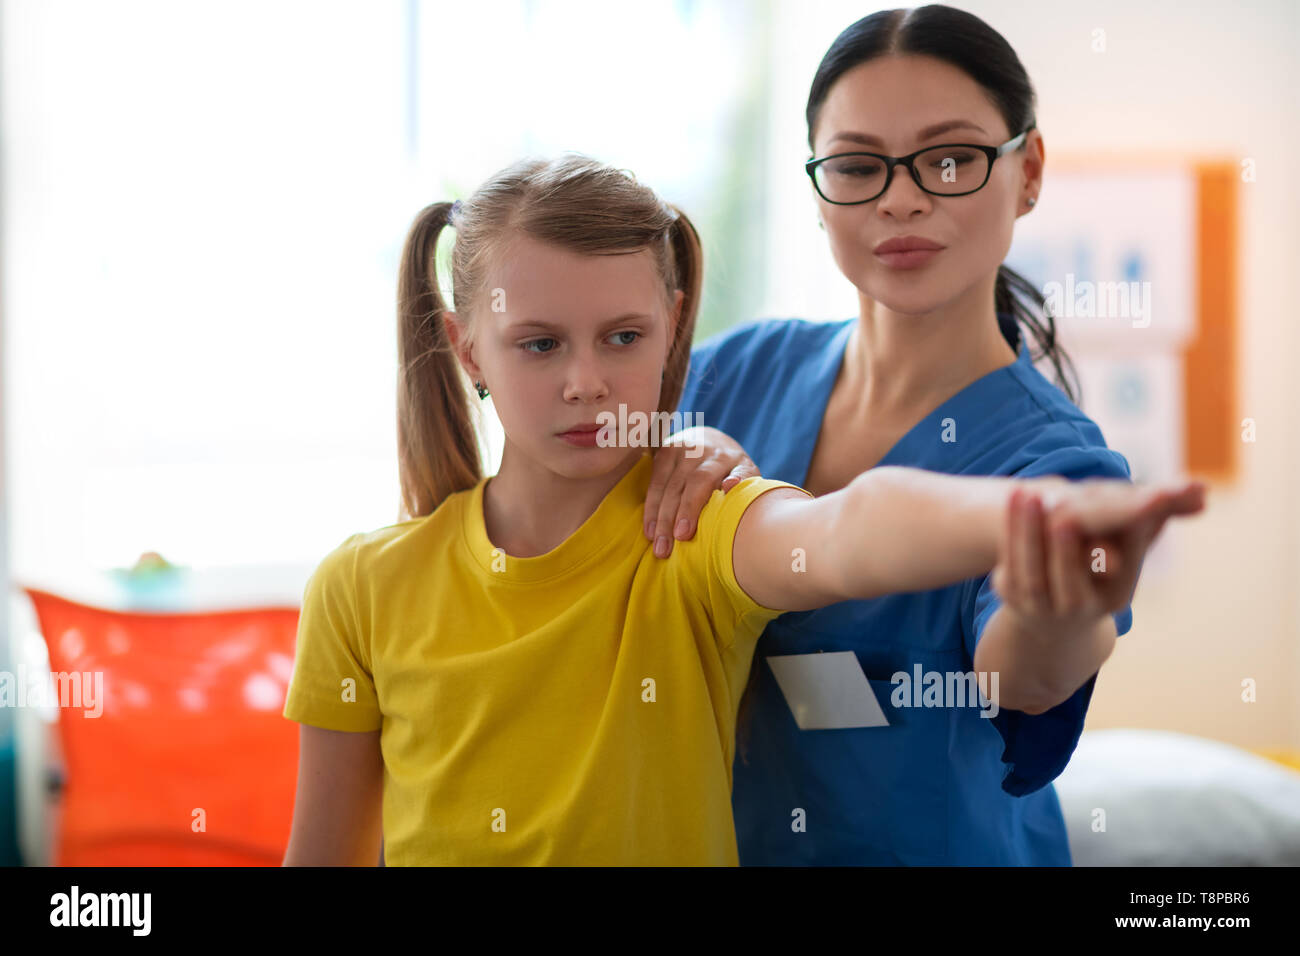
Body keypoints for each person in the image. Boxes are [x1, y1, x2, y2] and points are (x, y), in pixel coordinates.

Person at [280, 154, 1202, 866]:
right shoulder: (361, 588)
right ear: (465, 348)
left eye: (624, 337)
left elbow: (849, 530)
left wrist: (1031, 518)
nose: (585, 382)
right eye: (538, 343)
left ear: (675, 327)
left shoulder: (693, 528)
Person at [648, 5, 1175, 866]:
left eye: (951, 159)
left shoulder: (1057, 467)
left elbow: (1028, 675)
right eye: (858, 166)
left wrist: (1058, 611)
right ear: (817, 189)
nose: (901, 197)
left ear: (1029, 170)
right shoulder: (721, 381)